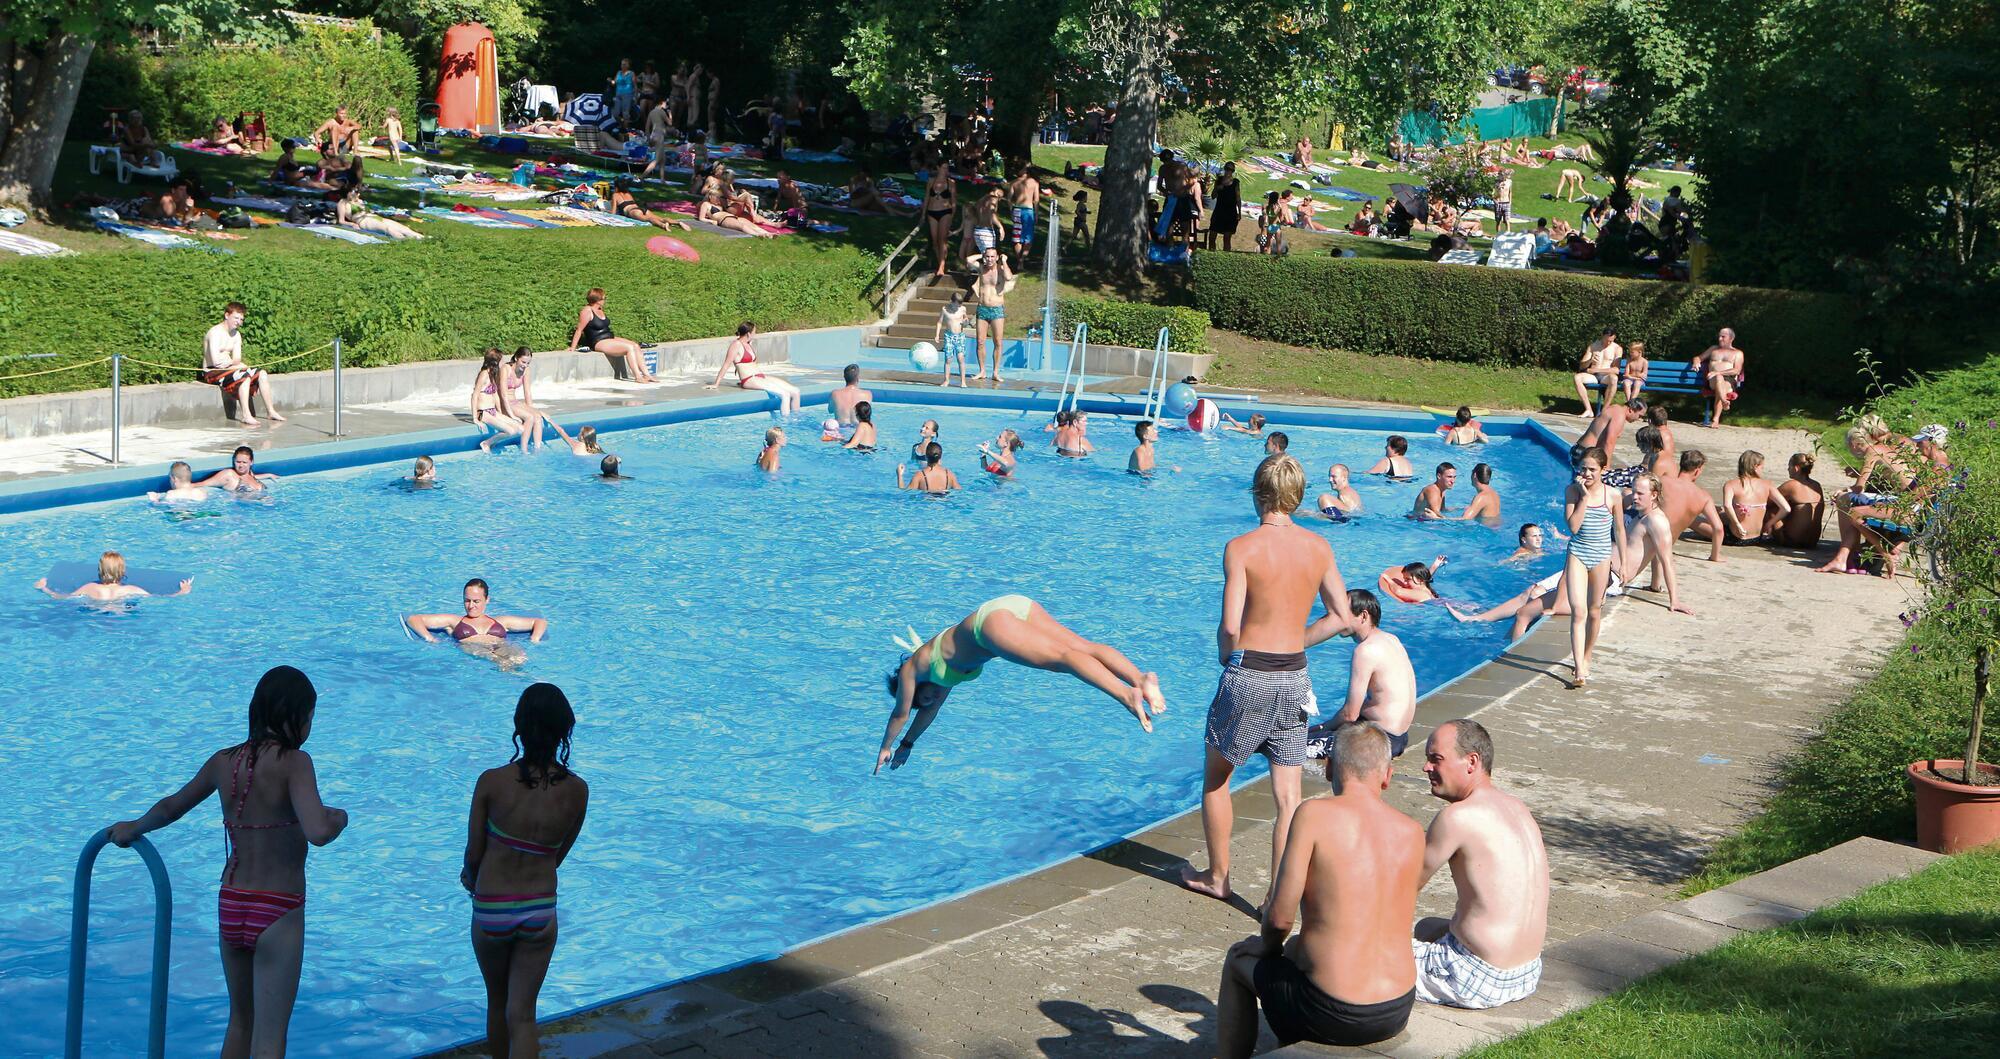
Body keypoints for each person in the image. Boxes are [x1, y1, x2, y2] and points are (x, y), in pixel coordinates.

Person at [107, 667, 347, 1058]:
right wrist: (341, 818)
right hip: (277, 908)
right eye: (310, 717)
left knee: (240, 1022)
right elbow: (318, 831)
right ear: (297, 717)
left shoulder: (224, 761)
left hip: (232, 903)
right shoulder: (294, 762)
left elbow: (172, 807)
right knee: (269, 1039)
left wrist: (134, 826)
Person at [1181, 455, 1355, 903]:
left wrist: (1226, 653)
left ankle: (1219, 876)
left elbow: (1231, 625)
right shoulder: (1319, 547)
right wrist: (1298, 637)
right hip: (1295, 678)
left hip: (1250, 674)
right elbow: (1341, 617)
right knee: (1288, 796)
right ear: (1297, 495)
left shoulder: (1242, 547)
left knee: (1217, 778)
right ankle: (1277, 898)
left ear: (1258, 492)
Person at [1215, 724, 1421, 1056]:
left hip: (1333, 1012)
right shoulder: (1412, 831)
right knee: (1298, 951)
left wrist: (1264, 947)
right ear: (1387, 776)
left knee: (1239, 962)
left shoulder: (1314, 815)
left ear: (1328, 769)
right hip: (1396, 1007)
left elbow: (1280, 919)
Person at [874, 596, 1165, 772]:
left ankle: (1127, 694)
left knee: (1065, 659)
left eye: (926, 697)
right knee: (1081, 648)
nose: (934, 698)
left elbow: (902, 713)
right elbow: (929, 712)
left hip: (988, 626)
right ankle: (1141, 678)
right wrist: (908, 744)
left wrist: (886, 747)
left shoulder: (914, 669)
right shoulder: (939, 673)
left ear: (913, 688)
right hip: (1011, 605)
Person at [465, 683, 589, 1059]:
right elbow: (557, 856)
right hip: (539, 906)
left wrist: (472, 879)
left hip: (492, 905)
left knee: (497, 1003)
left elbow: (474, 853)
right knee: (523, 1015)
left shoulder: (491, 782)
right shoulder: (578, 791)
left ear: (519, 725)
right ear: (564, 729)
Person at [1412, 719, 1548, 1009]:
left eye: (1436, 759)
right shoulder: (1517, 807)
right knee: (1426, 926)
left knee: (1349, 950)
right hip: (1526, 973)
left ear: (1471, 762)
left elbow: (1405, 890)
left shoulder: (1457, 817)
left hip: (1476, 977)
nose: (1426, 767)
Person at [1304, 589, 1416, 759]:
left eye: (1343, 613)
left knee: (1289, 747)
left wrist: (1322, 727)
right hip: (1398, 737)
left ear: (1363, 616)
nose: (1336, 619)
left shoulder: (1365, 651)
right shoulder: (1391, 639)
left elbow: (1350, 714)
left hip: (1375, 742)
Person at [1561, 449, 1628, 688]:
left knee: (1594, 611)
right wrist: (1584, 498)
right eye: (1583, 468)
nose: (1587, 473)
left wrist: (1623, 561)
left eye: (1592, 469)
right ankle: (1579, 666)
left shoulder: (1613, 495)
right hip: (1578, 554)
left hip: (1601, 556)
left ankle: (1587, 655)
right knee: (1578, 611)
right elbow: (1574, 528)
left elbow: (1619, 530)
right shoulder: (1572, 491)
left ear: (1603, 471)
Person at [407, 578, 547, 669]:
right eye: (467, 600)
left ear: (487, 600)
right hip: (473, 647)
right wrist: (429, 637)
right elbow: (414, 619)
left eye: (476, 601)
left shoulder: (501, 621)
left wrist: (534, 639)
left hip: (500, 645)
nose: (471, 606)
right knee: (501, 663)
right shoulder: (454, 621)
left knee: (520, 658)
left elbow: (539, 621)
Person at [1619, 473, 1695, 615]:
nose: (1634, 497)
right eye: (1634, 492)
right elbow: (1654, 552)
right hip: (1605, 568)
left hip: (1611, 577)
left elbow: (1667, 561)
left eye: (1640, 494)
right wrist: (1655, 584)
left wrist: (1674, 600)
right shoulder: (1643, 516)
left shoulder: (1656, 521)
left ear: (1654, 495)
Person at [203, 303, 285, 427]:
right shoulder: (214, 333)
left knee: (261, 374)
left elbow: (237, 358)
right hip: (212, 371)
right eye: (236, 318)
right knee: (245, 376)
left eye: (241, 319)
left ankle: (271, 411)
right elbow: (216, 362)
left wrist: (233, 363)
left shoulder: (236, 335)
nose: (239, 322)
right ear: (227, 315)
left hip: (229, 367)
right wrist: (235, 364)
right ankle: (246, 415)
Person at [707, 321, 800, 413]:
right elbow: (726, 364)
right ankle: (786, 424)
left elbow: (752, 364)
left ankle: (796, 420)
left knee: (796, 391)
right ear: (748, 333)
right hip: (749, 379)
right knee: (785, 395)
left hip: (759, 377)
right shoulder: (736, 345)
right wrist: (716, 384)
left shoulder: (748, 344)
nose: (755, 334)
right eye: (754, 332)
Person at [571, 288, 657, 384]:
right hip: (598, 341)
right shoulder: (587, 311)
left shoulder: (599, 309)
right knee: (629, 348)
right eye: (604, 298)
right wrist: (572, 348)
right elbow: (579, 330)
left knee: (635, 346)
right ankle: (637, 376)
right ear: (598, 300)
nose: (605, 300)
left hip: (609, 337)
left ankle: (647, 375)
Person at [35, 550, 191, 600]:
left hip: (94, 614)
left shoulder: (90, 588)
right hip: (120, 615)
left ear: (100, 571)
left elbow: (63, 597)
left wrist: (44, 588)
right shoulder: (130, 589)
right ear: (122, 572)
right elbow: (160, 598)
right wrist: (182, 592)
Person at [1661, 450, 1726, 563]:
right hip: (1665, 546)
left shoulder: (1662, 481)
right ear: (1697, 470)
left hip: (1646, 535)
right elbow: (1718, 528)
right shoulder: (1704, 496)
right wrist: (1715, 556)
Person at [335, 160, 423, 240]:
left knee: (403, 228)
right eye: (354, 191)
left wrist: (358, 200)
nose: (357, 193)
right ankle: (405, 241)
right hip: (364, 221)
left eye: (357, 191)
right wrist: (352, 224)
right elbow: (341, 220)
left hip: (374, 217)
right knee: (388, 229)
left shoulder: (358, 200)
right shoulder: (342, 203)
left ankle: (423, 239)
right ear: (347, 193)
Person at [1718, 450, 1793, 544]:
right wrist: (1768, 524)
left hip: (1735, 536)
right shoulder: (1768, 484)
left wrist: (1737, 524)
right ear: (1755, 467)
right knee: (1721, 511)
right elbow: (1786, 508)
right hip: (1757, 538)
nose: (1762, 470)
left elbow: (1727, 506)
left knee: (1700, 519)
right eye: (1762, 467)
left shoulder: (1730, 484)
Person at [969, 248, 1014, 382]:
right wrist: (981, 255)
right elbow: (968, 260)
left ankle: (995, 372)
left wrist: (1004, 261)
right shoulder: (981, 268)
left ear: (997, 257)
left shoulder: (1000, 269)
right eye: (987, 256)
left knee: (998, 342)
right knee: (980, 342)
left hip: (996, 310)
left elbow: (1009, 277)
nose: (989, 259)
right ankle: (982, 371)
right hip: (982, 309)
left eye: (992, 257)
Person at [470, 348, 528, 453]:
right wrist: (475, 418)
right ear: (495, 361)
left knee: (520, 429)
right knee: (511, 431)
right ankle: (486, 443)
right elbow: (474, 395)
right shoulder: (484, 374)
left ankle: (493, 442)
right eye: (501, 360)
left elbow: (495, 396)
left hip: (493, 412)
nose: (502, 363)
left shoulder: (492, 375)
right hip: (483, 413)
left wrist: (502, 415)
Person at [1690, 328, 1745, 427]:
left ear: (1731, 338)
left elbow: (1737, 370)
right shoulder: (1713, 349)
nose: (1720, 338)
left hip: (1729, 380)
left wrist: (1717, 372)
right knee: (1719, 378)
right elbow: (1698, 357)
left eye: (1723, 336)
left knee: (1720, 381)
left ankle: (1716, 418)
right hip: (1712, 380)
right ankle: (1722, 407)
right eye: (1719, 336)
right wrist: (1696, 362)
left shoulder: (1738, 353)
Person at [1771, 452, 1825, 548]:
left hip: (1793, 541)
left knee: (1772, 509)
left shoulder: (1792, 485)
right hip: (1812, 542)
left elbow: (1769, 500)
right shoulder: (1817, 485)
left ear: (1796, 468)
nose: (1788, 469)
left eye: (1789, 466)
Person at [1571, 329, 1622, 417]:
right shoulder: (1593, 346)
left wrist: (1596, 370)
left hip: (1606, 377)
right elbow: (1582, 366)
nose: (1609, 342)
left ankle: (1604, 410)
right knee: (1577, 377)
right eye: (1607, 340)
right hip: (1593, 376)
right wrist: (1590, 360)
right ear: (1603, 336)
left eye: (1611, 340)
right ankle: (1588, 409)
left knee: (1614, 378)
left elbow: (1616, 370)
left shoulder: (1617, 348)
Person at [921, 166, 959, 276]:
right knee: (934, 241)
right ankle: (940, 263)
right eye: (944, 168)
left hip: (945, 212)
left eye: (947, 168)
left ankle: (941, 266)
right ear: (938, 168)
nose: (946, 170)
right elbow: (927, 197)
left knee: (942, 240)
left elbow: (954, 201)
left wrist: (952, 216)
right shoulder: (931, 181)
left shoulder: (951, 182)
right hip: (931, 212)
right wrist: (923, 214)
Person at [1006, 166, 1045, 264]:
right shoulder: (1034, 183)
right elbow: (1036, 200)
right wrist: (1036, 213)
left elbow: (1009, 199)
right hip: (1028, 210)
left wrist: (1011, 210)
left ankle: (1019, 259)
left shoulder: (1014, 182)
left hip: (1017, 210)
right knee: (1028, 237)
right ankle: (1022, 260)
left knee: (1017, 237)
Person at [198, 445, 279, 493]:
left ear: (251, 462)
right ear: (234, 461)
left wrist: (268, 475)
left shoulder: (249, 473)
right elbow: (202, 484)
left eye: (244, 462)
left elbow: (254, 477)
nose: (241, 465)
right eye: (238, 462)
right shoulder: (228, 475)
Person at [935, 291, 971, 387]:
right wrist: (937, 335)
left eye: (959, 306)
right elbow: (939, 322)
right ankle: (946, 380)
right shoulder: (944, 310)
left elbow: (966, 319)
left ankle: (963, 381)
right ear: (951, 301)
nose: (957, 308)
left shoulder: (962, 309)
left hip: (960, 336)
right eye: (956, 306)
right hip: (949, 336)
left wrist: (965, 322)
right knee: (948, 359)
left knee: (960, 358)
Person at [1207, 161, 1242, 251]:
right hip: (1219, 211)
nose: (1228, 171)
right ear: (1224, 169)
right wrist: (1218, 188)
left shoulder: (1235, 182)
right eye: (1227, 169)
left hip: (1230, 212)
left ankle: (1225, 257)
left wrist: (1239, 212)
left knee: (1227, 238)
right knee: (1212, 236)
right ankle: (1211, 256)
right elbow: (1213, 196)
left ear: (1233, 171)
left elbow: (1238, 198)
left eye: (1230, 170)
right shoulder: (1219, 180)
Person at [1493, 169, 1513, 233]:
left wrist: (1510, 202)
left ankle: (1508, 234)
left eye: (1502, 175)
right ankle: (1498, 235)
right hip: (1498, 202)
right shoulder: (1497, 183)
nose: (1501, 176)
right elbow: (1492, 193)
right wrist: (1494, 200)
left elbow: (1510, 192)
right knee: (1498, 221)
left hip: (1506, 202)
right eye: (1500, 175)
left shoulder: (1509, 182)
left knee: (1507, 220)